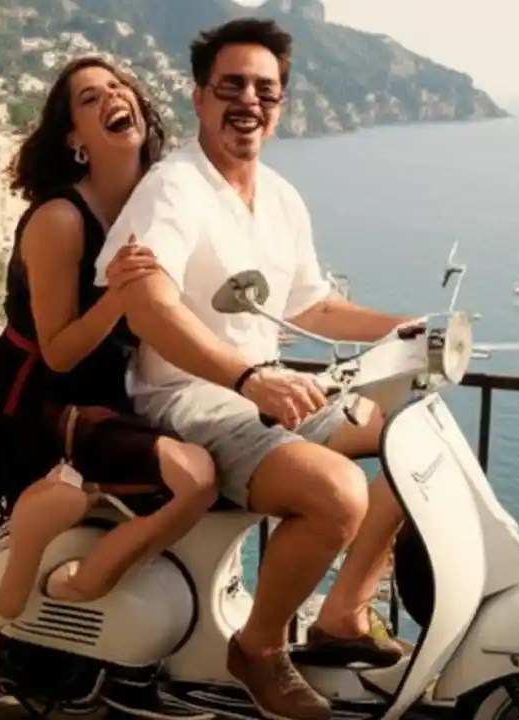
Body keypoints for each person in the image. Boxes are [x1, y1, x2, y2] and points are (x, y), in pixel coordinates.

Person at [94, 18, 416, 720]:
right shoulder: (174, 188)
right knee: (336, 494)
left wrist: (410, 329)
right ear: (200, 98)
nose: (249, 100)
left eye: (265, 89)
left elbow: (316, 306)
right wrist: (246, 377)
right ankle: (259, 648)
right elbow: (146, 308)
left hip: (261, 392)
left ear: (281, 102)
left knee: (413, 443)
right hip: (189, 400)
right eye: (231, 85)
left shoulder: (279, 197)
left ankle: (342, 619)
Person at [0, 56, 217, 718]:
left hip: (111, 392)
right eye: (90, 99)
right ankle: (66, 567)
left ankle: (127, 648)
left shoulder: (154, 200)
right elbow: (59, 350)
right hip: (43, 400)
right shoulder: (61, 219)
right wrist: (120, 294)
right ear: (73, 138)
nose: (114, 97)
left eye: (121, 88)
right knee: (190, 476)